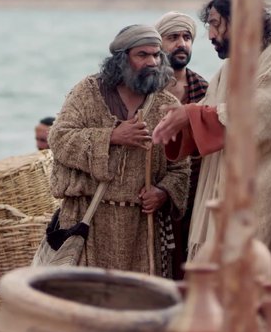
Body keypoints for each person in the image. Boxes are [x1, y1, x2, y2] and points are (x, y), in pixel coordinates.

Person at [152, 0, 271, 279]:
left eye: (215, 24)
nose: (210, 35)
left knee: (255, 275)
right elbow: (210, 110)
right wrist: (178, 123)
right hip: (224, 189)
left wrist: (189, 115)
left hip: (258, 191)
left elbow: (258, 120)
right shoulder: (232, 66)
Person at [49, 24, 190, 276]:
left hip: (142, 229)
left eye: (157, 55)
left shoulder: (167, 105)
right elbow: (59, 139)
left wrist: (163, 192)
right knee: (86, 302)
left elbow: (180, 166)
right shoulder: (88, 92)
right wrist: (112, 136)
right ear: (121, 59)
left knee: (136, 302)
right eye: (142, 55)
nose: (152, 62)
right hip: (89, 220)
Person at [155, 11, 209, 279]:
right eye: (173, 37)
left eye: (187, 37)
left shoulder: (206, 89)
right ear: (159, 44)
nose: (181, 44)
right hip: (154, 197)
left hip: (198, 196)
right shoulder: (147, 89)